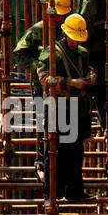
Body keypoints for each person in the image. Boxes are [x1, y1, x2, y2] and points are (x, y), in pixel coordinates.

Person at [35, 13, 97, 201]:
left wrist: (90, 80)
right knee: (55, 152)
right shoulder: (52, 53)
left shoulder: (82, 54)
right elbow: (45, 79)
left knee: (76, 152)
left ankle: (74, 191)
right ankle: (52, 195)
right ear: (65, 34)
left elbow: (89, 72)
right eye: (72, 38)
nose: (74, 43)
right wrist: (70, 83)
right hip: (58, 108)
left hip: (76, 109)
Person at [72, 0, 108, 126]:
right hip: (107, 45)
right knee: (105, 90)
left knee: (95, 89)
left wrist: (75, 44)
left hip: (95, 48)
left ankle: (105, 125)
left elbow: (85, 21)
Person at [13, 0, 72, 89]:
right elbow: (18, 54)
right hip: (42, 86)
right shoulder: (38, 30)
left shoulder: (68, 29)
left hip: (64, 86)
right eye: (57, 14)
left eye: (63, 14)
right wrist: (39, 67)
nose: (60, 17)